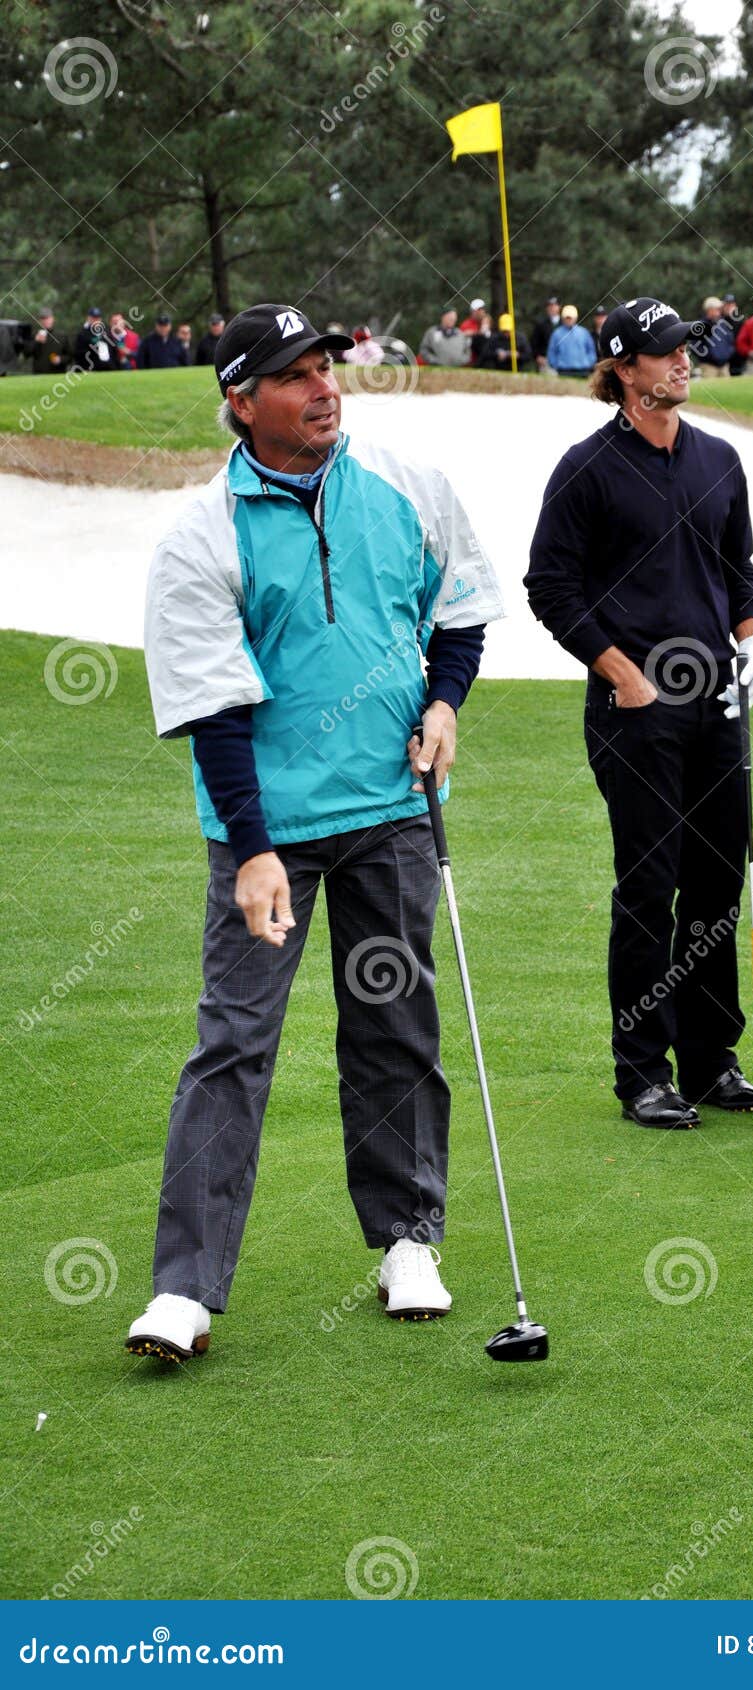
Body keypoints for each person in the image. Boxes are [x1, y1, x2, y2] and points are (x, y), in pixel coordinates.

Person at [126, 301, 504, 1363]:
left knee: (394, 1027)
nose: (324, 387)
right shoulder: (203, 535)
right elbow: (212, 706)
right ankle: (185, 1289)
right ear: (242, 402)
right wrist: (252, 850)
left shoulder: (406, 485)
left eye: (327, 366)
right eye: (295, 375)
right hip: (270, 831)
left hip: (391, 810)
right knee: (233, 1046)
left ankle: (407, 1241)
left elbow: (459, 609)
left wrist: (444, 703)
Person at [525, 296, 753, 1128]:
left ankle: (709, 1061)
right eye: (665, 352)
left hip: (716, 703)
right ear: (624, 369)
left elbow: (739, 570)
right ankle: (641, 1074)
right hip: (634, 711)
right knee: (649, 887)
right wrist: (622, 675)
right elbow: (549, 587)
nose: (683, 361)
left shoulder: (719, 459)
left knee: (716, 883)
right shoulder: (585, 469)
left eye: (685, 348)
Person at [546, 304, 596, 376]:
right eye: (567, 318)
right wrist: (556, 364)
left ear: (576, 318)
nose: (569, 320)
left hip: (583, 370)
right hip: (563, 371)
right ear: (563, 318)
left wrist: (589, 363)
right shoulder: (556, 333)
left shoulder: (584, 332)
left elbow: (591, 350)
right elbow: (551, 352)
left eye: (571, 318)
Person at [690, 296, 733, 377]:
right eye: (717, 309)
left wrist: (726, 356)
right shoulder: (700, 326)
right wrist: (711, 357)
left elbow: (730, 342)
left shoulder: (723, 324)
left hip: (724, 366)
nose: (719, 311)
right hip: (708, 367)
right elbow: (695, 347)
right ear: (709, 310)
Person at [23, 309, 70, 375]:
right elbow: (26, 354)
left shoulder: (62, 336)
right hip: (39, 376)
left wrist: (60, 359)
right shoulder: (35, 335)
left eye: (48, 318)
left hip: (58, 374)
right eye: (43, 319)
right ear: (40, 321)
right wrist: (36, 341)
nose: (45, 321)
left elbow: (70, 357)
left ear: (53, 319)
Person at [72, 306, 119, 372]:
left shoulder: (107, 332)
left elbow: (113, 350)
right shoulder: (83, 334)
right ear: (89, 318)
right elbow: (79, 354)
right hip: (91, 368)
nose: (96, 320)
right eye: (94, 318)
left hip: (109, 367)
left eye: (98, 318)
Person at [530, 295, 562, 370]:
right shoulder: (541, 324)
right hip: (545, 361)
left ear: (559, 307)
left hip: (563, 361)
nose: (552, 308)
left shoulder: (564, 324)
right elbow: (534, 343)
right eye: (549, 306)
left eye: (554, 305)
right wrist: (537, 356)